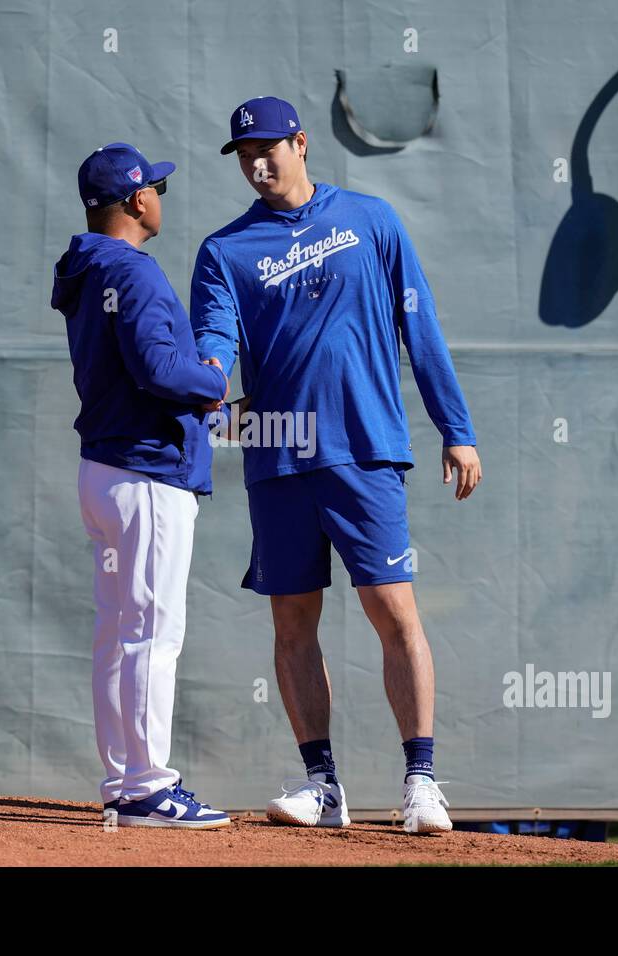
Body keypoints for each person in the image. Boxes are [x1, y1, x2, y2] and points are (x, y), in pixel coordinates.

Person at [191, 98, 482, 833]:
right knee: (293, 620)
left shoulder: (372, 219)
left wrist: (457, 428)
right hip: (279, 456)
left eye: (269, 146)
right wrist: (207, 378)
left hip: (365, 448)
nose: (258, 162)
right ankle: (322, 786)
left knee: (394, 611)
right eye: (244, 152)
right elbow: (215, 337)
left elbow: (421, 326)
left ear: (300, 142)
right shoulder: (224, 251)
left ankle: (422, 780)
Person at [52, 143, 231, 829]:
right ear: (133, 201)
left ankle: (126, 781)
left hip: (103, 470)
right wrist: (213, 380)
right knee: (151, 633)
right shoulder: (134, 272)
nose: (160, 194)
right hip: (146, 471)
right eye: (154, 186)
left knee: (119, 632)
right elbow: (160, 370)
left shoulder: (89, 266)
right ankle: (149, 785)